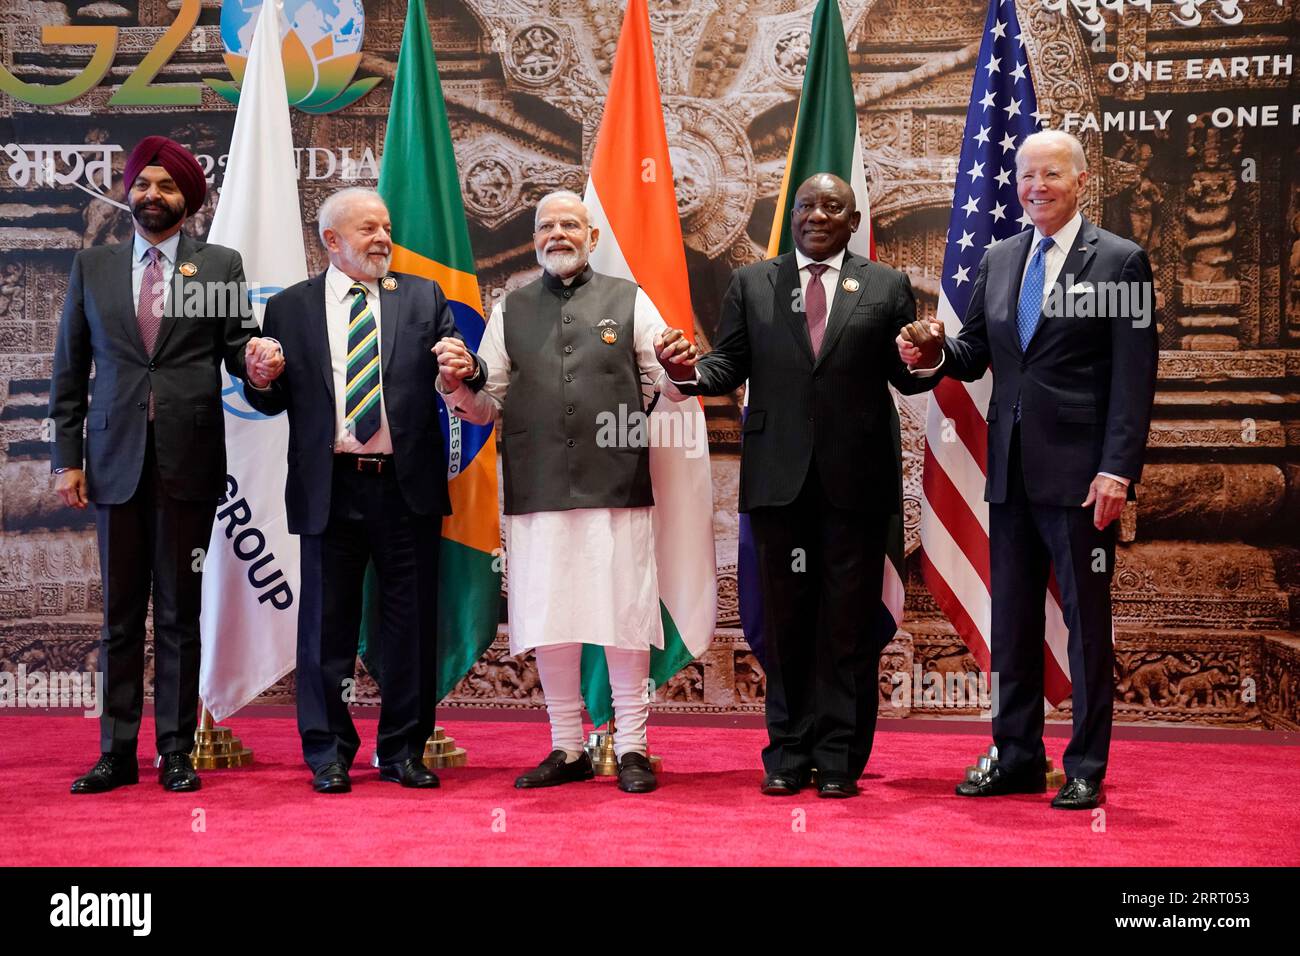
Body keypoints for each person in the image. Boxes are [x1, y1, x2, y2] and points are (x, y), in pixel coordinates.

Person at [897, 129, 1157, 810]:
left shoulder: (1121, 262)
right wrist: (931, 351)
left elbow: (1135, 378)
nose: (1036, 187)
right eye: (1026, 177)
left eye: (1051, 175)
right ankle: (1015, 754)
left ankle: (1086, 765)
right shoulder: (1002, 257)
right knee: (1011, 621)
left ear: (1081, 180)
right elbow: (976, 353)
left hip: (1081, 480)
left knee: (1084, 625)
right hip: (1008, 472)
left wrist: (1117, 470)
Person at [657, 173, 935, 798]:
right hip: (778, 480)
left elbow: (907, 377)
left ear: (853, 218)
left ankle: (837, 756)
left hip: (856, 484)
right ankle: (786, 752)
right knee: (784, 625)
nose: (815, 215)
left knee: (845, 622)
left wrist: (928, 359)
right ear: (793, 216)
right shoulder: (755, 282)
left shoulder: (886, 285)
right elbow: (728, 363)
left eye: (830, 206)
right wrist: (686, 373)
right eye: (805, 205)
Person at [50, 135, 284, 794]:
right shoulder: (93, 268)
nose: (153, 195)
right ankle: (116, 753)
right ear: (129, 191)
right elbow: (69, 372)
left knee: (181, 613)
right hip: (114, 462)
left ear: (189, 199)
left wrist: (258, 364)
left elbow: (238, 346)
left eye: (168, 187)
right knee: (120, 616)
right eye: (144, 184)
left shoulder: (218, 268)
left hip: (189, 461)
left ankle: (175, 752)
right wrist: (69, 459)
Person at [244, 187, 485, 794]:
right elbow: (269, 398)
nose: (384, 238)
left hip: (404, 489)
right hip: (330, 486)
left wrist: (461, 368)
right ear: (331, 241)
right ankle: (327, 753)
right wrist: (259, 378)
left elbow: (458, 369)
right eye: (369, 230)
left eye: (387, 226)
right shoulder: (290, 309)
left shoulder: (423, 296)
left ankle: (403, 750)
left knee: (410, 627)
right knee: (325, 627)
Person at [436, 190, 677, 794]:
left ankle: (631, 747)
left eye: (571, 224)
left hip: (616, 483)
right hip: (537, 487)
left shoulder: (628, 299)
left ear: (592, 237)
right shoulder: (510, 308)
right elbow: (486, 405)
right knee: (551, 617)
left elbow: (669, 386)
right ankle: (567, 746)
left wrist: (681, 367)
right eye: (547, 226)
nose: (558, 234)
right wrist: (454, 388)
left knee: (623, 615)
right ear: (535, 238)